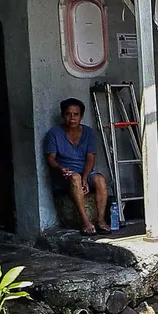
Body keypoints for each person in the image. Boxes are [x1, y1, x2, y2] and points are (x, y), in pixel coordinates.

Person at [44, 98, 109, 235]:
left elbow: (91, 159)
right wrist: (61, 168)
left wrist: (85, 178)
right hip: (65, 174)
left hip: (84, 172)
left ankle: (101, 220)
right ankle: (86, 222)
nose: (72, 118)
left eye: (76, 114)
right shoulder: (54, 133)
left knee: (100, 179)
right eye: (68, 114)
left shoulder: (88, 133)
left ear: (81, 116)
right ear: (63, 115)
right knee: (75, 177)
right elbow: (50, 159)